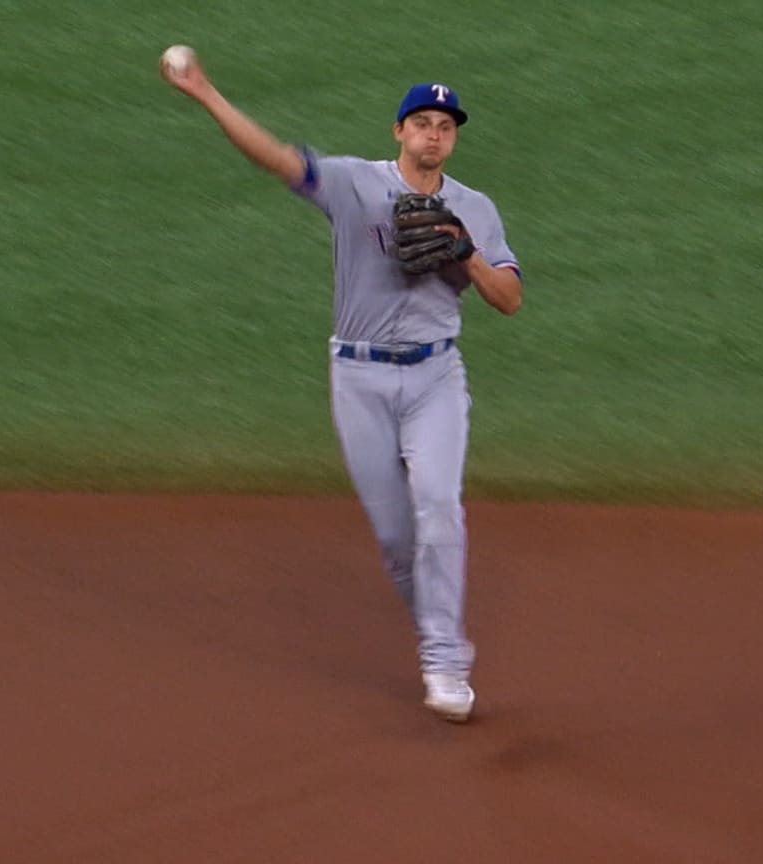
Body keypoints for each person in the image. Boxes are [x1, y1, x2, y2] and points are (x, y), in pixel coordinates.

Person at [161, 52, 523, 723]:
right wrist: (206, 92)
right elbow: (274, 158)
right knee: (395, 542)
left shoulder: (475, 207)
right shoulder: (355, 184)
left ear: (455, 137)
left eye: (445, 124)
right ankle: (435, 631)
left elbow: (509, 299)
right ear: (399, 131)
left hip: (435, 375)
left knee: (440, 508)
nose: (433, 134)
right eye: (421, 122)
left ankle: (445, 660)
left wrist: (463, 250)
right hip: (357, 377)